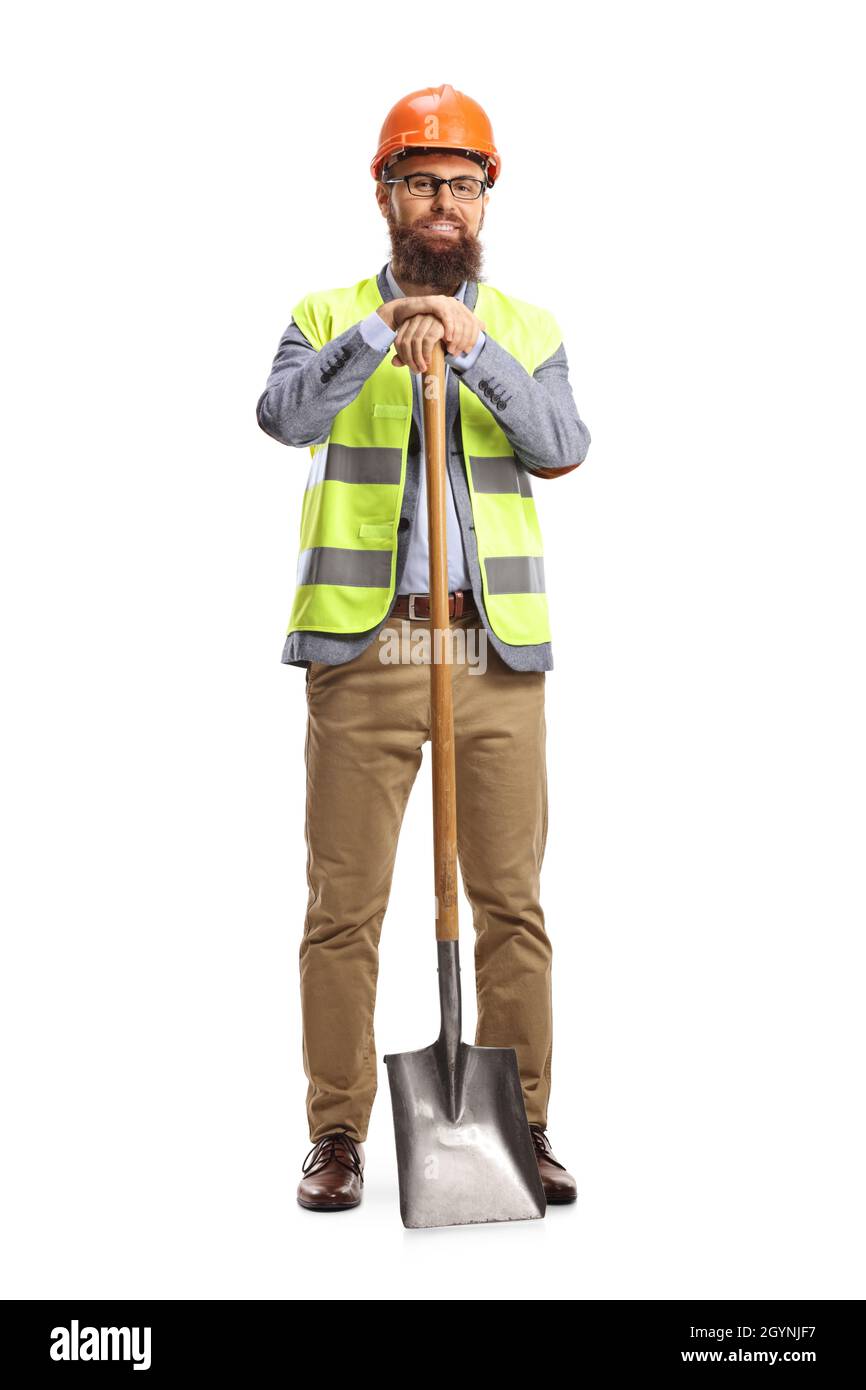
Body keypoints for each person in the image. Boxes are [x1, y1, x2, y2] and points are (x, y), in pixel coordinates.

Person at [256, 84, 591, 1213]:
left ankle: (523, 1123)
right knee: (341, 906)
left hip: (491, 658)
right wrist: (377, 334)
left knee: (512, 901)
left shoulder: (530, 330)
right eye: (419, 181)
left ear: (485, 197)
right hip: (364, 655)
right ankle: (338, 1132)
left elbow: (557, 447)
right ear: (383, 192)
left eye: (461, 183)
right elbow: (286, 416)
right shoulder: (320, 313)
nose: (440, 202)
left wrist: (472, 344)